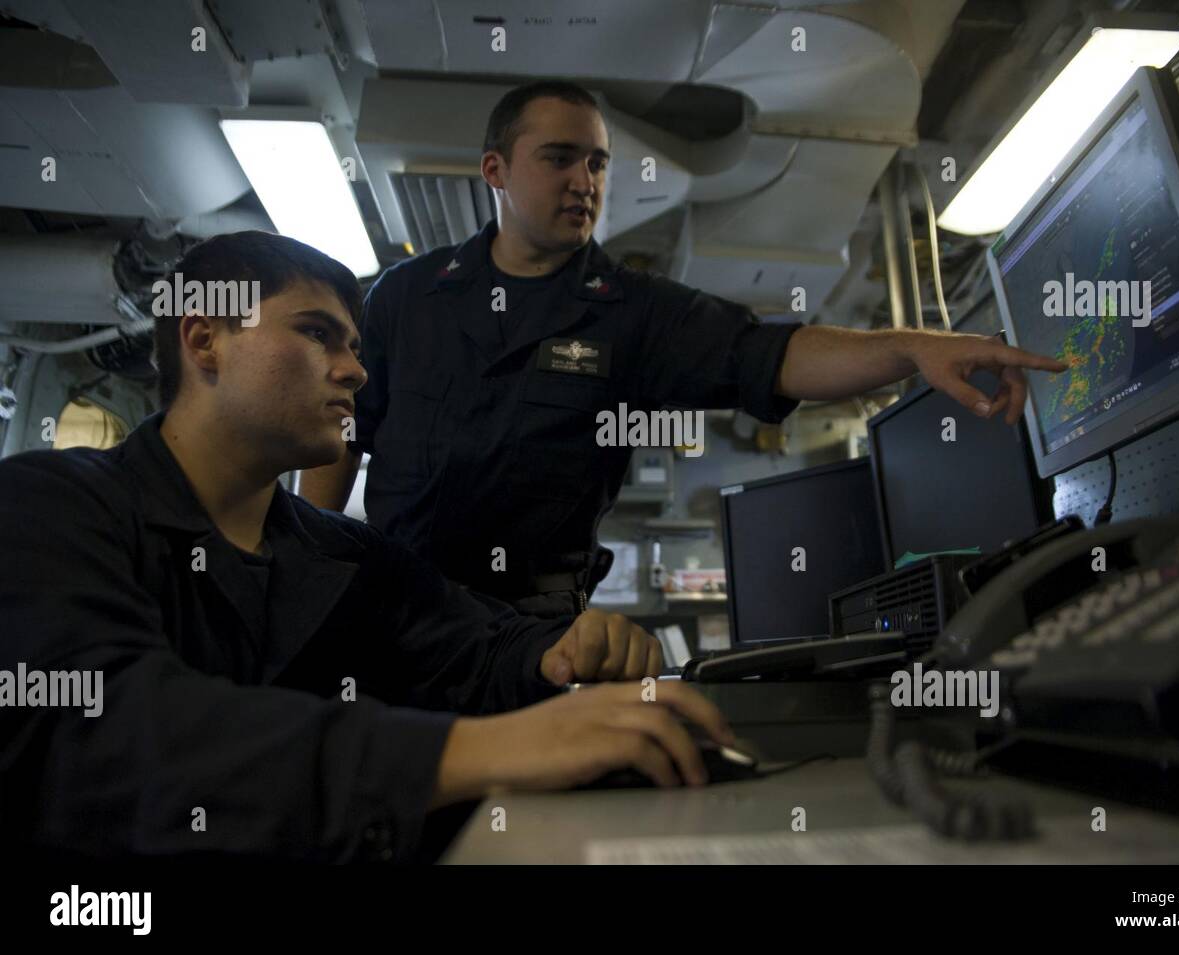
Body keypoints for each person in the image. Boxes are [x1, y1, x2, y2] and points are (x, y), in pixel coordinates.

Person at [0, 231, 732, 863]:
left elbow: (471, 646)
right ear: (204, 340)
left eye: (353, 344)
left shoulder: (346, 555)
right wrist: (471, 753)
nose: (354, 369)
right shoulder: (50, 504)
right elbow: (107, 727)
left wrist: (558, 651)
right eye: (317, 333)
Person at [300, 80, 1068, 617]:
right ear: (495, 171)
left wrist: (910, 347)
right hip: (394, 607)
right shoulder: (406, 295)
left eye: (598, 163)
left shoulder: (634, 314)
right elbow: (342, 427)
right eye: (560, 158)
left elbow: (774, 354)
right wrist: (313, 558)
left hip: (530, 634)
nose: (585, 181)